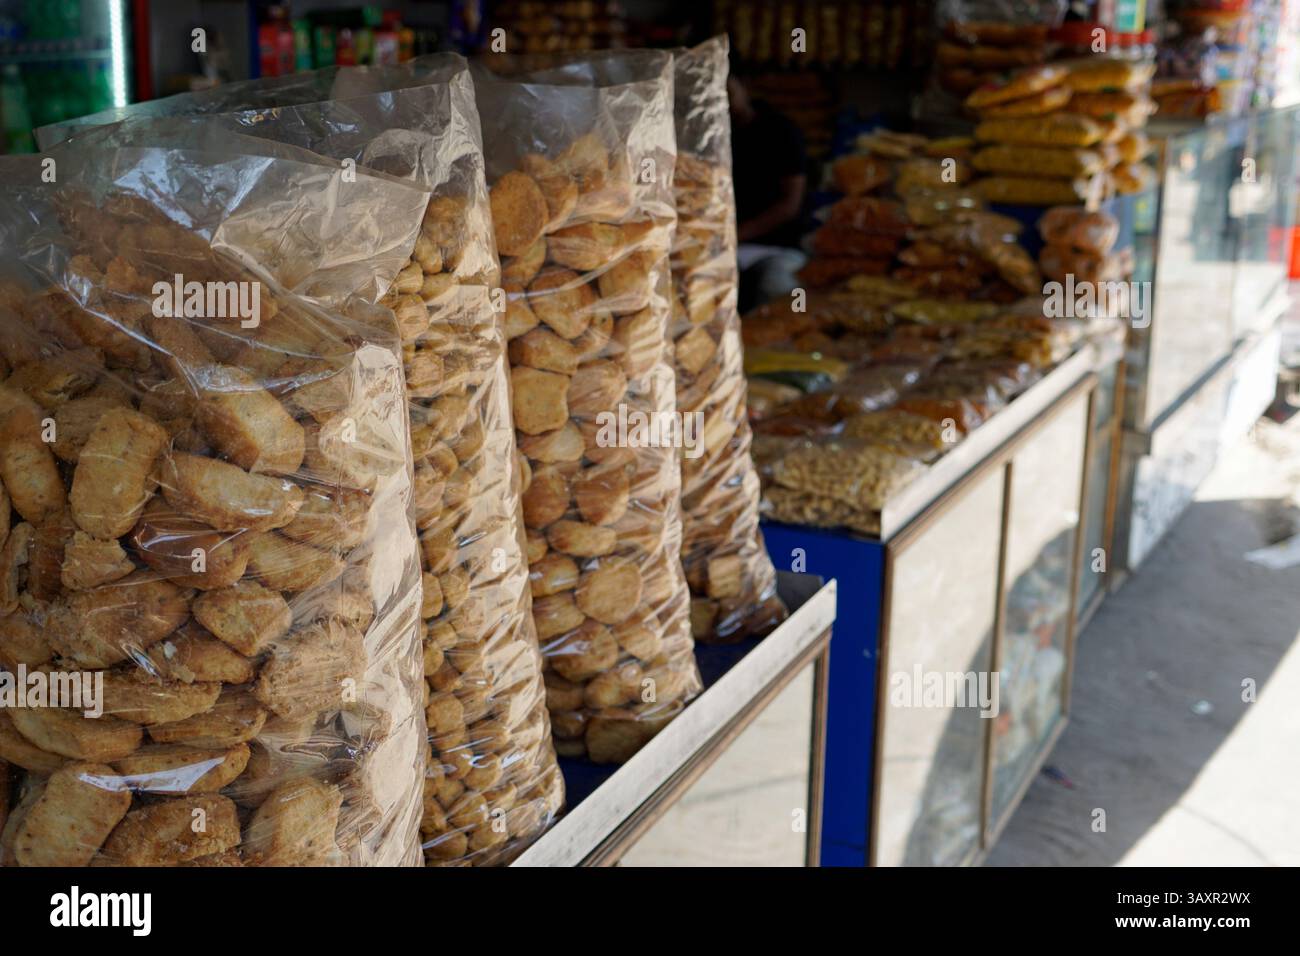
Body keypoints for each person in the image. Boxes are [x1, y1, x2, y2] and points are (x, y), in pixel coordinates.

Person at [728, 73, 808, 311]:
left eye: (728, 93)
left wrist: (736, 235)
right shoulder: (709, 135)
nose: (721, 102)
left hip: (775, 245)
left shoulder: (781, 131)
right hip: (722, 248)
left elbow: (789, 205)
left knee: (782, 290)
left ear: (745, 87)